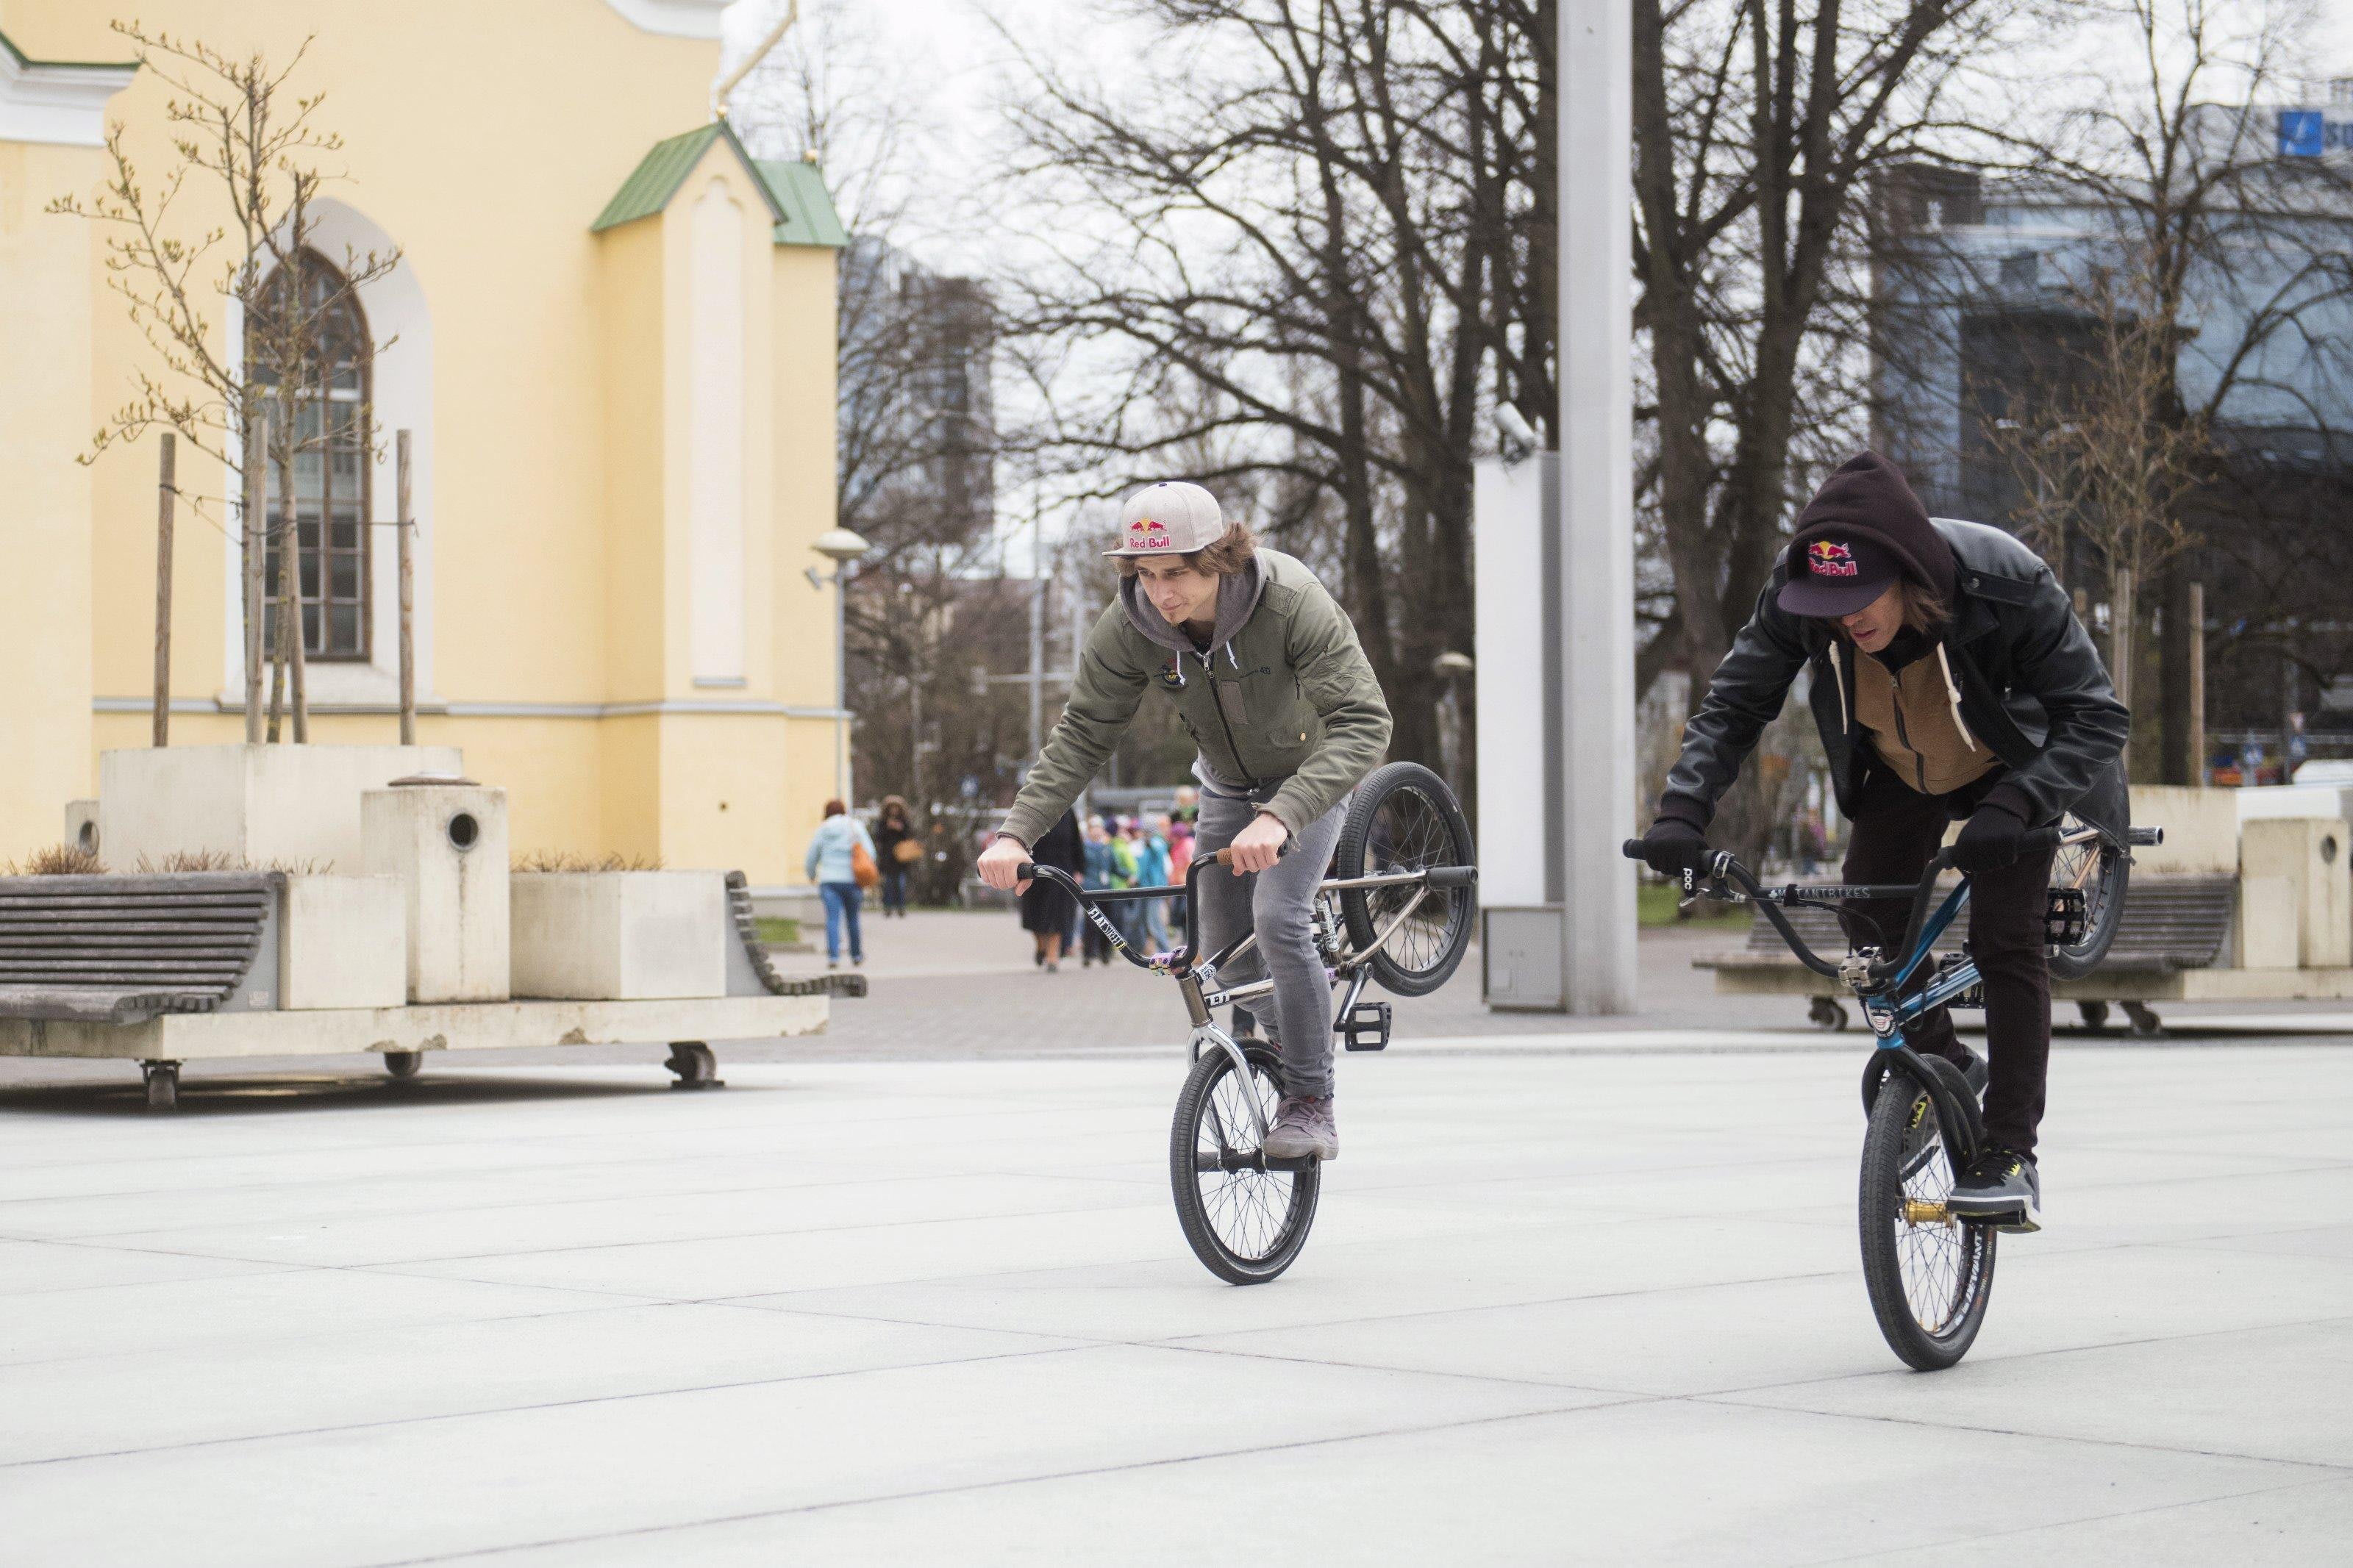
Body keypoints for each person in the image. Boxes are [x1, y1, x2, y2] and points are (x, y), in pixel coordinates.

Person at [1632, 452, 2128, 1231]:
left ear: (1907, 572)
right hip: (1901, 767)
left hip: (2010, 763)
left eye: (1862, 598)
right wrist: (1681, 810)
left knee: (2005, 940)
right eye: (1829, 605)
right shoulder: (1804, 598)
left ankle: (2010, 1153)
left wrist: (2021, 802)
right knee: (1867, 914)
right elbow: (1733, 702)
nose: (1846, 619)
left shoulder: (2006, 582)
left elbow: (2097, 716)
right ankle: (1948, 1064)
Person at [976, 480, 1393, 1161]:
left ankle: (1312, 1101)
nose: (1161, 593)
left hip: (1311, 774)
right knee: (1220, 959)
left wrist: (1283, 815)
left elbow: (1365, 722)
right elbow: (1084, 732)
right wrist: (1017, 830)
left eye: (1177, 573)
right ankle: (1301, 1021)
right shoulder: (1133, 626)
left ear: (1220, 557)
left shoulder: (1289, 600)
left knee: (1279, 917)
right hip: (1228, 786)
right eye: (1145, 574)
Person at [804, 799, 877, 970]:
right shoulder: (855, 827)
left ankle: (834, 956)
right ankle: (856, 954)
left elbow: (812, 855)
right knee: (853, 918)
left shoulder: (823, 829)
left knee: (832, 918)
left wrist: (812, 874)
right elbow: (870, 852)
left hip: (829, 880)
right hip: (852, 880)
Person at [1021, 809, 1086, 972]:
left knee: (1059, 914)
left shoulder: (1068, 812)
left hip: (1062, 868)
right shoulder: (1030, 808)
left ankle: (1052, 956)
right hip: (1033, 868)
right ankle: (1041, 945)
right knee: (1034, 914)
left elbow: (1076, 841)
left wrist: (1080, 869)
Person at [1079, 815, 1119, 967]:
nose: (1096, 831)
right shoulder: (1085, 848)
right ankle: (1088, 953)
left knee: (1107, 922)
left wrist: (1129, 875)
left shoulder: (1107, 848)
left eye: (1099, 828)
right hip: (1090, 889)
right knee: (1090, 923)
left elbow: (1114, 868)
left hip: (1105, 889)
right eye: (1093, 828)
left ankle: (1105, 952)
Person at [1133, 815, 1174, 951]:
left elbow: (1157, 850)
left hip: (1155, 888)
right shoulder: (1146, 844)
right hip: (1145, 887)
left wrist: (1148, 839)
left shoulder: (1156, 842)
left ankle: (1165, 950)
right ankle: (1155, 948)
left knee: (1155, 921)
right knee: (1146, 921)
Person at [872, 796, 916, 918]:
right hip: (887, 858)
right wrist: (888, 828)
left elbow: (909, 837)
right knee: (888, 884)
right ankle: (887, 907)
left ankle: (901, 906)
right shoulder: (882, 822)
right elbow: (878, 837)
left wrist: (900, 829)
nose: (894, 811)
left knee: (900, 884)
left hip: (901, 858)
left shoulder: (904, 822)